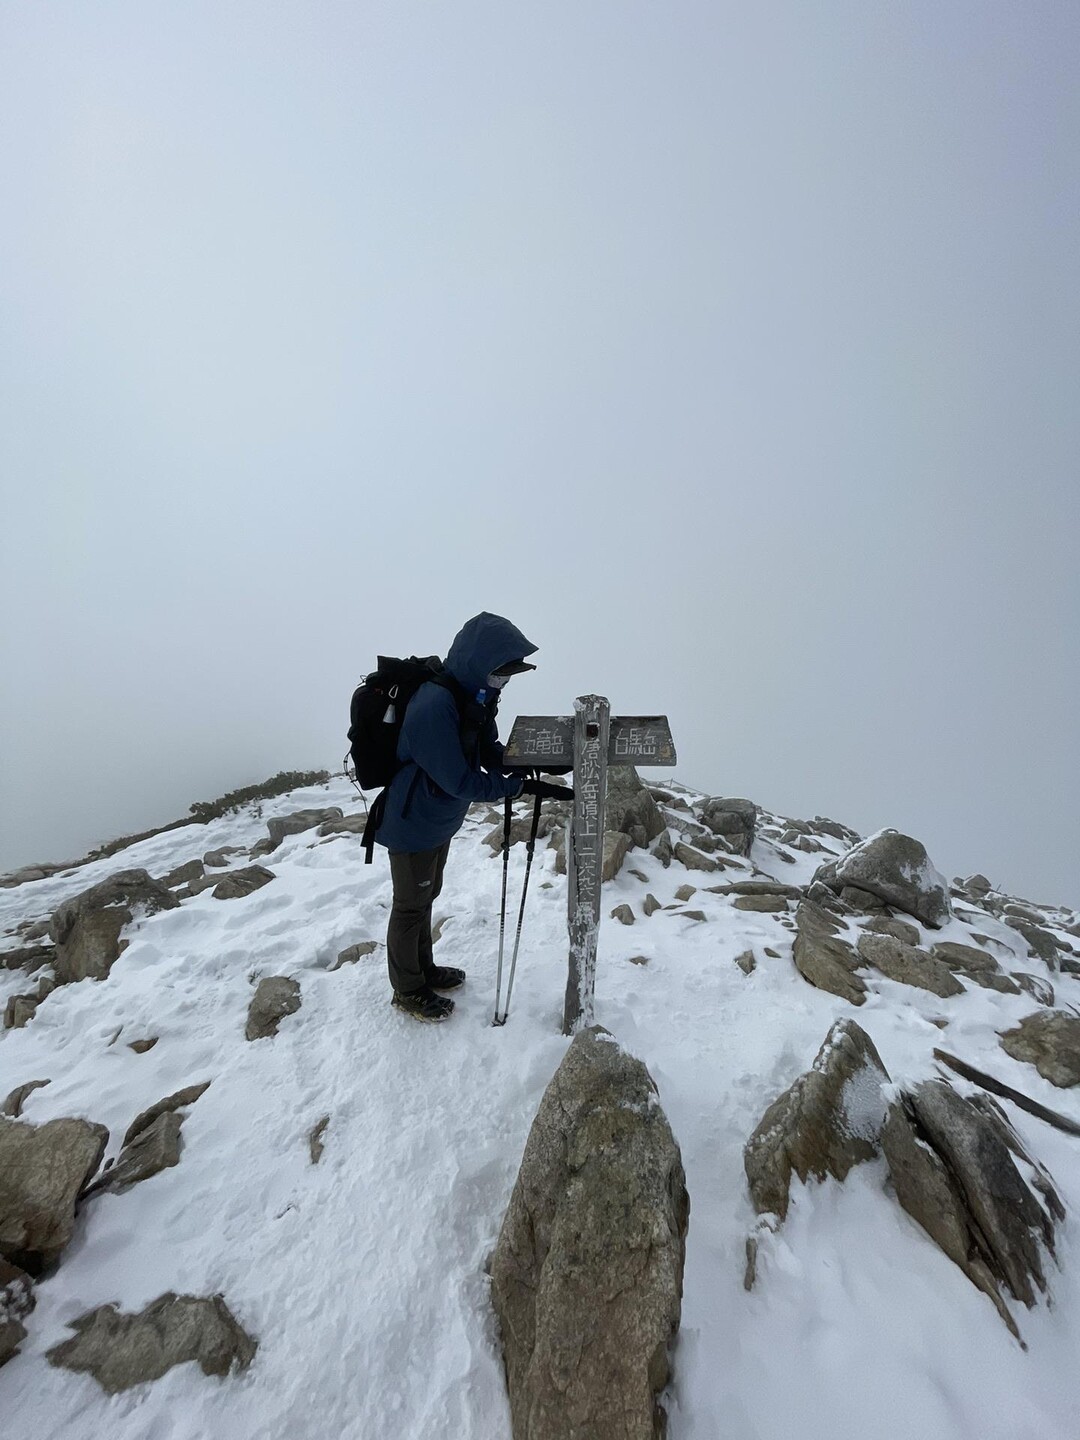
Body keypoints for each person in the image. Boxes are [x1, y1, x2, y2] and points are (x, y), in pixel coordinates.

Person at [375, 612, 570, 1022]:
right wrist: (515, 788)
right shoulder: (433, 704)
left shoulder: (475, 696)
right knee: (410, 905)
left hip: (437, 819)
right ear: (480, 662)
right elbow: (461, 781)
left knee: (426, 898)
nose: (505, 680)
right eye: (501, 671)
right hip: (413, 823)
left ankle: (423, 969)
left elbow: (486, 751)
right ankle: (407, 989)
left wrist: (529, 764)